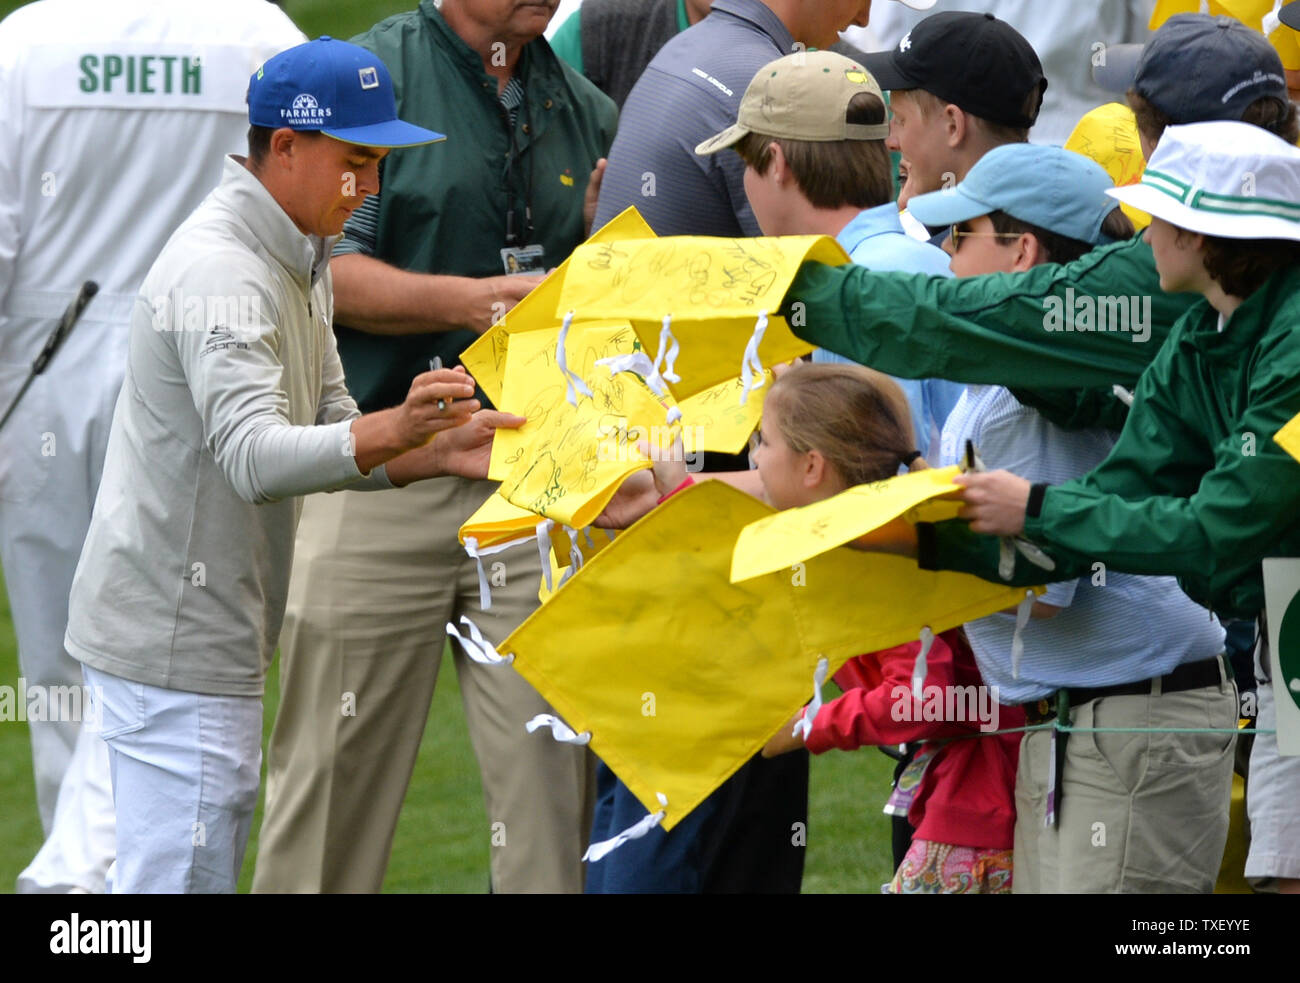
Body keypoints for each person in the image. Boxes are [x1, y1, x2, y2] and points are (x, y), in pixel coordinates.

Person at [63, 37, 520, 894]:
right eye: (358, 162)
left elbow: (329, 421)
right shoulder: (223, 270)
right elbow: (252, 456)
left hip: (200, 630)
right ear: (285, 147)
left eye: (380, 163)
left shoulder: (298, 246)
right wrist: (390, 428)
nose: (373, 189)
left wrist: (424, 450)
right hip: (173, 638)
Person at [253, 0, 618, 895]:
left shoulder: (584, 105)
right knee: (328, 807)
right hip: (378, 476)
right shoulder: (366, 77)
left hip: (533, 483)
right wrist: (474, 301)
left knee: (549, 812)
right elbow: (322, 270)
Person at [925, 121, 1300, 894]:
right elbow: (1134, 482)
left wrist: (1026, 509)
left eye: (1160, 215)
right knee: (1281, 872)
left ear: (1205, 235)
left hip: (1178, 690)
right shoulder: (1203, 335)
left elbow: (1213, 528)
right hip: (1271, 637)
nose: (1143, 233)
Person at [0, 0, 305, 894]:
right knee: (172, 663)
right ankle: (96, 883)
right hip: (207, 385)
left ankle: (82, 885)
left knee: (64, 672)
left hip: (46, 391)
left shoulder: (24, 45)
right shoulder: (263, 37)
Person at [780, 14, 1295, 431]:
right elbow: (1143, 422)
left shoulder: (1159, 274)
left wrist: (784, 290)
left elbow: (968, 319)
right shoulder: (1214, 271)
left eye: (1143, 122)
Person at [738, 363, 1023, 895]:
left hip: (976, 802)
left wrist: (809, 725)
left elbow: (921, 698)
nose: (755, 456)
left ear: (812, 466)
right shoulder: (867, 540)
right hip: (953, 791)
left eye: (764, 440)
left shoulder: (882, 560)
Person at [697, 50, 959, 459]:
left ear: (776, 163)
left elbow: (883, 490)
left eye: (746, 163)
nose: (747, 180)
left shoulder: (853, 290)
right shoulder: (933, 259)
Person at [590, 0, 932, 237]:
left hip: (615, 332)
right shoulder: (769, 87)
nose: (864, 18)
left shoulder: (686, 47)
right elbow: (833, 288)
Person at [858, 9, 1046, 222]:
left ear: (953, 126)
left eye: (900, 120)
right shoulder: (1046, 219)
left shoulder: (962, 250)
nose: (889, 141)